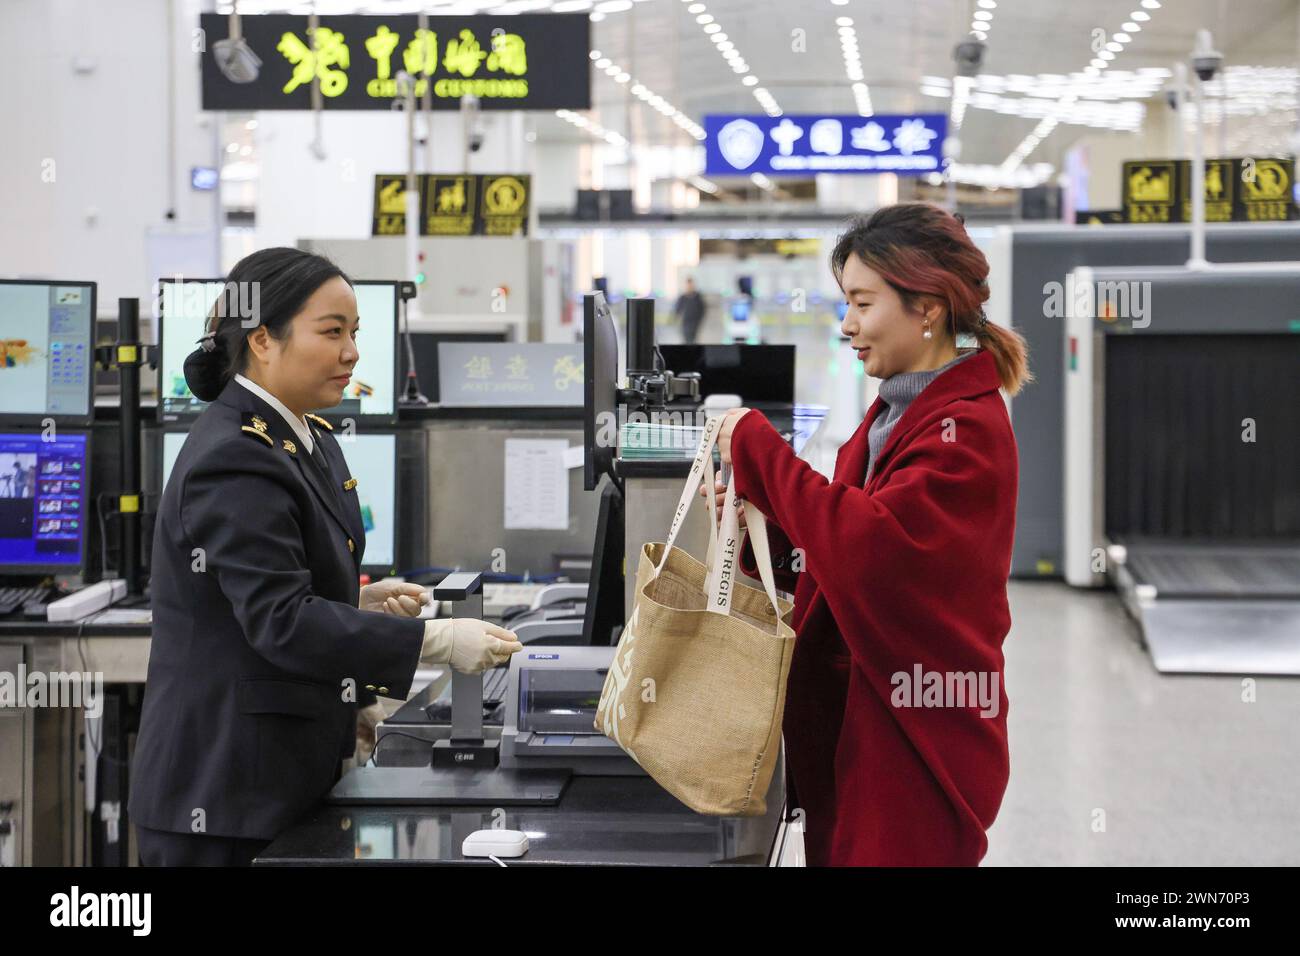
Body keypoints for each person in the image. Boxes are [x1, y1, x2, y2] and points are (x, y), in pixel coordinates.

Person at [129, 247, 523, 866]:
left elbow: (278, 587)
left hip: (278, 777)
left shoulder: (302, 435)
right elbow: (280, 620)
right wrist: (436, 641)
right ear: (263, 339)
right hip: (224, 799)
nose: (352, 353)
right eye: (332, 332)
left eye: (355, 333)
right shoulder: (237, 454)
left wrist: (352, 601)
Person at [706, 203, 1032, 866]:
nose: (848, 325)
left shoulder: (963, 430)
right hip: (863, 723)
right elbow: (840, 559)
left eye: (863, 302)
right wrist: (762, 534)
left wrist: (758, 450)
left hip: (917, 734)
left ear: (927, 307)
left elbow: (874, 557)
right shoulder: (893, 416)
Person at [673, 277, 706, 344]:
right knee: (687, 340)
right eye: (688, 285)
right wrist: (676, 319)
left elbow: (702, 309)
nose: (689, 286)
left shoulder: (697, 297)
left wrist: (699, 320)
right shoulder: (683, 297)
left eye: (691, 284)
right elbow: (677, 310)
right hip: (685, 323)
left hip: (695, 323)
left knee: (692, 340)